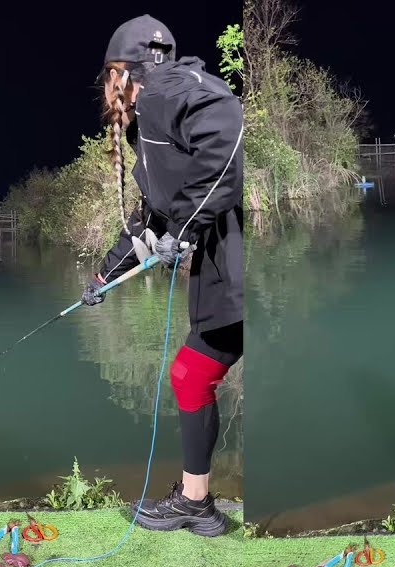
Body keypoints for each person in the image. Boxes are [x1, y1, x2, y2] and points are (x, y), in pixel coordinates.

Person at [82, 15, 244, 538]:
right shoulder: (151, 125)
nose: (107, 90)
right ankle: (197, 504)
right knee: (191, 374)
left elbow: (226, 122)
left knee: (191, 373)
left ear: (121, 73)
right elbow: (151, 219)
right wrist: (105, 276)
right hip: (219, 265)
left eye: (108, 78)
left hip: (233, 259)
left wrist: (187, 224)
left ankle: (197, 504)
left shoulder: (165, 90)